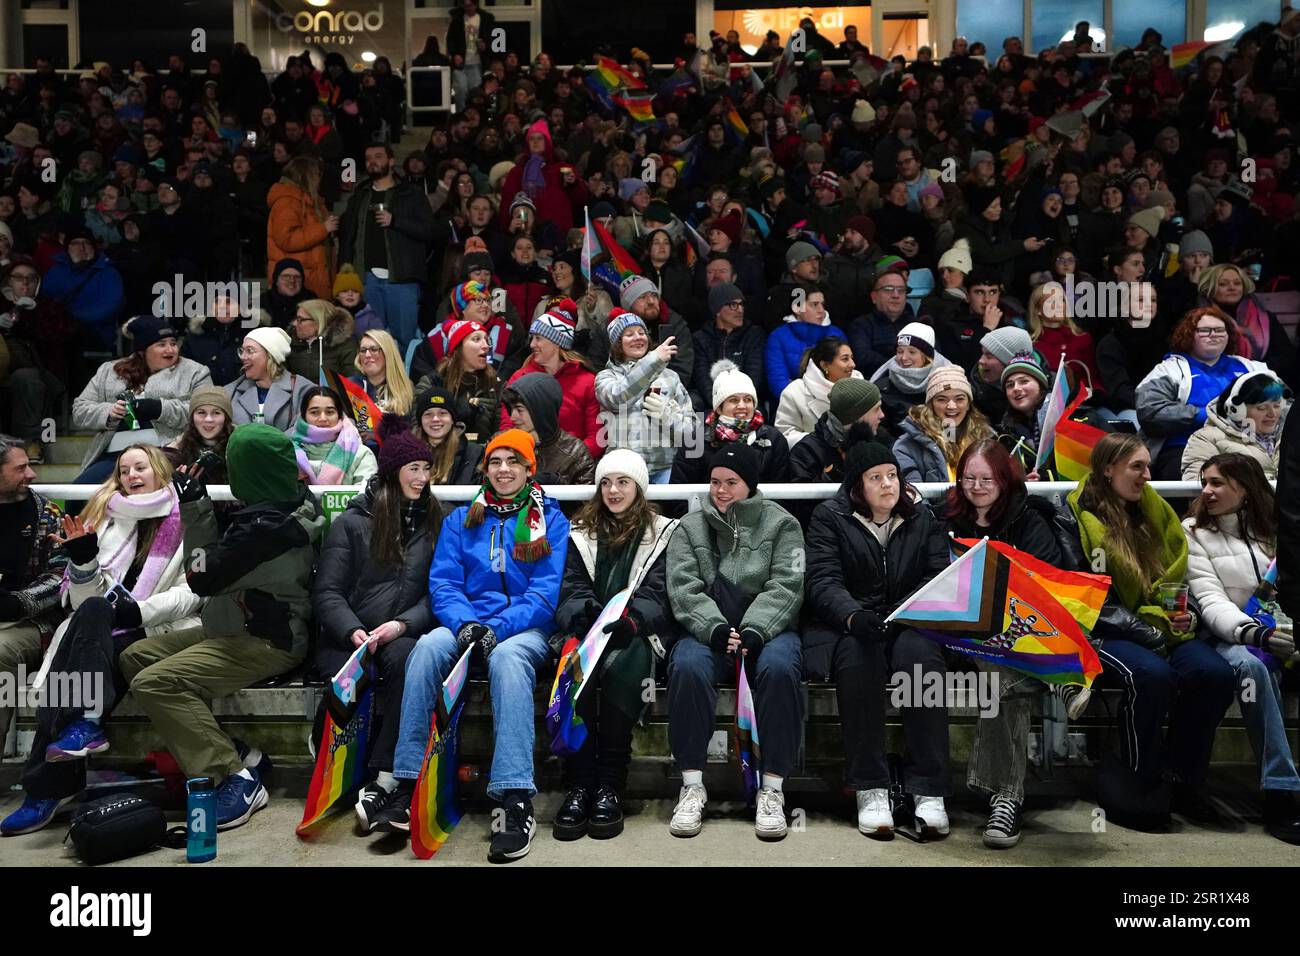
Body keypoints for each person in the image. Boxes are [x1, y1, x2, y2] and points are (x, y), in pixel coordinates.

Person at [118, 424, 325, 831]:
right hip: (235, 623)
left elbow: (200, 574)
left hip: (266, 639)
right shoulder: (294, 501)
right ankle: (237, 754)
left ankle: (234, 778)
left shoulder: (264, 531)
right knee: (134, 656)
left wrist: (194, 507)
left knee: (153, 683)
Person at [380, 429, 569, 863]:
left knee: (506, 659)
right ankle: (409, 780)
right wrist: (466, 624)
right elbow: (444, 582)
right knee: (426, 647)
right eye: (496, 462)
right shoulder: (461, 519)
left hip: (524, 629)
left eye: (513, 462)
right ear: (485, 468)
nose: (504, 470)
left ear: (528, 469)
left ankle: (514, 796)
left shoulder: (551, 521)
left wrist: (497, 629)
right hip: (465, 621)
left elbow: (544, 594)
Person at [1, 445, 201, 835]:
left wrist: (137, 612)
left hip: (151, 627)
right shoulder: (105, 517)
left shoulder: (191, 517)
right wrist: (83, 561)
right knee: (90, 614)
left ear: (159, 470)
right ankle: (84, 726)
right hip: (98, 625)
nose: (131, 476)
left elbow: (197, 591)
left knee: (68, 676)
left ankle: (45, 790)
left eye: (140, 467)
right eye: (124, 470)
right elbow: (79, 600)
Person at [1059, 433, 1237, 826]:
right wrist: (1148, 628)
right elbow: (1085, 598)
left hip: (1161, 625)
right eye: (1136, 467)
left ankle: (1182, 779)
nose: (1147, 475)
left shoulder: (1156, 511)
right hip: (1107, 630)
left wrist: (1185, 614)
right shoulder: (1073, 515)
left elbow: (1176, 578)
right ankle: (1140, 780)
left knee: (1216, 674)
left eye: (1147, 465)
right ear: (1108, 470)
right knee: (1151, 676)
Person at [804, 440, 952, 838]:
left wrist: (906, 611)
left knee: (923, 663)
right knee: (857, 663)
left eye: (892, 475)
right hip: (853, 623)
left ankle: (929, 789)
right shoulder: (830, 518)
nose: (888, 485)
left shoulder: (922, 517)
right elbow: (822, 579)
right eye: (876, 478)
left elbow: (937, 573)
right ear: (857, 486)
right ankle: (870, 786)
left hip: (910, 620)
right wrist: (853, 615)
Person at [939, 439, 1077, 848]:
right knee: (1003, 670)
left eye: (987, 479)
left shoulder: (1028, 519)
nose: (976, 486)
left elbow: (1044, 583)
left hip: (1016, 629)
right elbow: (932, 576)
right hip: (957, 629)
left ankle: (1005, 798)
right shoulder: (940, 517)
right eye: (968, 478)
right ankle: (1061, 676)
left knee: (1001, 681)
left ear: (1005, 480)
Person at [666, 442, 805, 840]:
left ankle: (772, 789)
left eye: (731, 482)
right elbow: (683, 586)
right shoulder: (690, 527)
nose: (721, 490)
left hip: (768, 631)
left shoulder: (783, 524)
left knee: (780, 669)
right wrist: (712, 627)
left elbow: (788, 584)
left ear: (750, 484)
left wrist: (756, 629)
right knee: (687, 666)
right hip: (709, 631)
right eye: (714, 482)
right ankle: (692, 784)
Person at [314, 422, 441, 832]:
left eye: (427, 468)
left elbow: (436, 593)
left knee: (407, 664)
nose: (422, 478)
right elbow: (327, 593)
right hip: (350, 635)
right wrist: (353, 630)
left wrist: (403, 625)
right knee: (349, 675)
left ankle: (386, 777)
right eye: (414, 469)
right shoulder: (351, 524)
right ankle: (330, 759)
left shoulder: (435, 520)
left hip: (400, 633)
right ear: (392, 473)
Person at [551, 450, 678, 840]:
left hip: (636, 632)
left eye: (622, 482)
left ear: (639, 487)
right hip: (588, 630)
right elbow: (569, 587)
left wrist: (633, 620)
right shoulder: (580, 533)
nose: (613, 490)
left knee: (628, 661)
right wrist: (584, 612)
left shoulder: (664, 531)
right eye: (606, 483)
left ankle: (610, 785)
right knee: (578, 662)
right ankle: (580, 784)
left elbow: (661, 592)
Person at [1183, 454, 1300, 844]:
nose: (1206, 491)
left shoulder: (1278, 531)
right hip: (1228, 639)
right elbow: (1211, 601)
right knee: (1252, 670)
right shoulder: (1194, 533)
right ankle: (1281, 792)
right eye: (1205, 482)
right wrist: (1255, 635)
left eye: (1217, 483)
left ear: (1245, 489)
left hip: (1283, 632)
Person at [70, 316, 212, 488]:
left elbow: (207, 411)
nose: (170, 349)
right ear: (142, 350)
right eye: (161, 344)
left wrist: (159, 408)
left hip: (165, 453)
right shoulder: (109, 371)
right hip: (115, 456)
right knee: (79, 494)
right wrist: (110, 412)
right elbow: (79, 409)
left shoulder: (195, 372)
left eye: (173, 343)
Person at [1137, 307, 1269, 480]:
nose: (1213, 334)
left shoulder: (1254, 369)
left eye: (1220, 330)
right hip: (1184, 448)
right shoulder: (1168, 370)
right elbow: (1151, 412)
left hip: (1248, 445)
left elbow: (1283, 407)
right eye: (1205, 330)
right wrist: (1209, 414)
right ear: (1189, 334)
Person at [0, 437, 66, 755]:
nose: (32, 474)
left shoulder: (46, 514)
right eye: (21, 468)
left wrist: (18, 604)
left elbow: (59, 579)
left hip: (34, 622)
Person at [337, 143, 436, 349]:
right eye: (368, 158)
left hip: (402, 279)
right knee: (371, 341)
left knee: (404, 341)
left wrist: (396, 221)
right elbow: (348, 237)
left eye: (378, 156)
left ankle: (404, 381)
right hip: (367, 279)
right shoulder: (360, 195)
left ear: (391, 162)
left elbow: (430, 230)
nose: (372, 161)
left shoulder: (411, 193)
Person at [594, 310, 695, 481]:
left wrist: (667, 417)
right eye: (629, 334)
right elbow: (618, 398)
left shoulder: (671, 377)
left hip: (666, 469)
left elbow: (691, 433)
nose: (638, 337)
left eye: (642, 332)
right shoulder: (606, 377)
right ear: (617, 343)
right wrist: (653, 360)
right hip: (624, 471)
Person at [502, 308, 602, 460]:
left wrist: (572, 462)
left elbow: (596, 437)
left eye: (538, 338)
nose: (532, 344)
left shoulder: (587, 382)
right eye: (532, 338)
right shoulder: (520, 377)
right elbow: (507, 427)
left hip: (572, 469)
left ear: (556, 342)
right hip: (526, 464)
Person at [670, 361, 789, 485]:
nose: (742, 405)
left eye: (748, 399)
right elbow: (680, 491)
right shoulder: (696, 439)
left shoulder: (774, 439)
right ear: (719, 408)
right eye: (734, 400)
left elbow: (783, 492)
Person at [1197, 262, 1299, 388]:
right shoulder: (1198, 319)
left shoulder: (1265, 318)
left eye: (1237, 283)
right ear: (1209, 288)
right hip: (1216, 386)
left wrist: (1257, 372)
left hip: (1265, 384)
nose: (1232, 287)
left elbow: (1286, 356)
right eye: (1223, 284)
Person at [893, 366, 994, 483]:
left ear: (968, 405)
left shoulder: (986, 438)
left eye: (959, 399)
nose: (951, 406)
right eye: (942, 399)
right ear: (931, 405)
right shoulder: (905, 447)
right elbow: (914, 495)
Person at [1182, 372, 1290, 480]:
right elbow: (1196, 485)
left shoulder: (1291, 437)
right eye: (1261, 408)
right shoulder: (1205, 438)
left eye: (1276, 406)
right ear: (1237, 410)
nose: (1272, 414)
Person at [415, 310, 500, 443]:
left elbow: (501, 430)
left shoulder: (494, 384)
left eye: (486, 339)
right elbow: (417, 431)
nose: (485, 346)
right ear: (458, 349)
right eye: (476, 339)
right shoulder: (432, 383)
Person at [502, 372, 595, 486]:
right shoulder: (499, 443)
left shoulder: (576, 453)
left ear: (542, 410)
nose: (512, 417)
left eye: (520, 409)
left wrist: (558, 484)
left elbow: (586, 502)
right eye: (511, 409)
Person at [788, 378, 889, 483]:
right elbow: (802, 497)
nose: (882, 415)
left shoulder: (881, 440)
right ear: (855, 415)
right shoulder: (807, 451)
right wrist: (834, 475)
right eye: (876, 409)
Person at [267, 155, 337, 300]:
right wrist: (323, 228)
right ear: (306, 176)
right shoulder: (287, 202)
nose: (319, 179)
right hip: (297, 282)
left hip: (312, 279)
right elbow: (286, 239)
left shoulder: (311, 201)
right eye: (317, 174)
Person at [774, 335, 864, 446]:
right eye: (845, 359)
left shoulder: (862, 385)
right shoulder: (794, 392)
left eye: (852, 358)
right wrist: (820, 440)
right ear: (825, 365)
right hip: (814, 458)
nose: (853, 364)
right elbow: (785, 436)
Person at [692, 281, 767, 409]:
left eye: (741, 304)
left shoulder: (754, 335)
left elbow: (754, 378)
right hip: (712, 404)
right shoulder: (700, 338)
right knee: (697, 414)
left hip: (746, 404)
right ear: (717, 310)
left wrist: (736, 405)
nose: (740, 310)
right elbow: (702, 380)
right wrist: (722, 406)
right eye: (733, 305)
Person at [765, 288, 847, 401]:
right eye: (814, 305)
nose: (821, 310)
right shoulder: (778, 337)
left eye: (822, 304)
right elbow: (778, 381)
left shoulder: (836, 334)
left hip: (832, 403)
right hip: (791, 405)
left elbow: (844, 375)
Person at [226, 326, 314, 431]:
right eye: (242, 351)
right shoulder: (230, 392)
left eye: (250, 350)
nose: (243, 357)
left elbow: (303, 432)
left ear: (271, 355)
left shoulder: (304, 391)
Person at [870, 323, 953, 429]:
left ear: (927, 356)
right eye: (900, 351)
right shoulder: (882, 386)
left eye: (912, 352)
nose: (904, 358)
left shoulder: (947, 385)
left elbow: (952, 428)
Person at [290, 386, 378, 485]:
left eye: (330, 412)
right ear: (304, 416)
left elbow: (364, 497)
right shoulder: (287, 453)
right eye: (314, 412)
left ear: (339, 415)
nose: (323, 418)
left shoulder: (361, 455)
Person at [410, 385, 482, 484]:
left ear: (453, 419)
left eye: (442, 413)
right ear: (420, 421)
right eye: (428, 414)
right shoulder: (407, 452)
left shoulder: (474, 453)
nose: (435, 419)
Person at [352, 328, 415, 424]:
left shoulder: (406, 388)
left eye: (374, 349)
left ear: (387, 353)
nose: (367, 355)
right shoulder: (350, 385)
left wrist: (378, 433)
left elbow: (410, 429)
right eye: (363, 350)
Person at [286, 299, 358, 381]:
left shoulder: (345, 345)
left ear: (319, 321)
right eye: (296, 318)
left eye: (301, 319)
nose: (294, 323)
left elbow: (352, 381)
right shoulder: (289, 342)